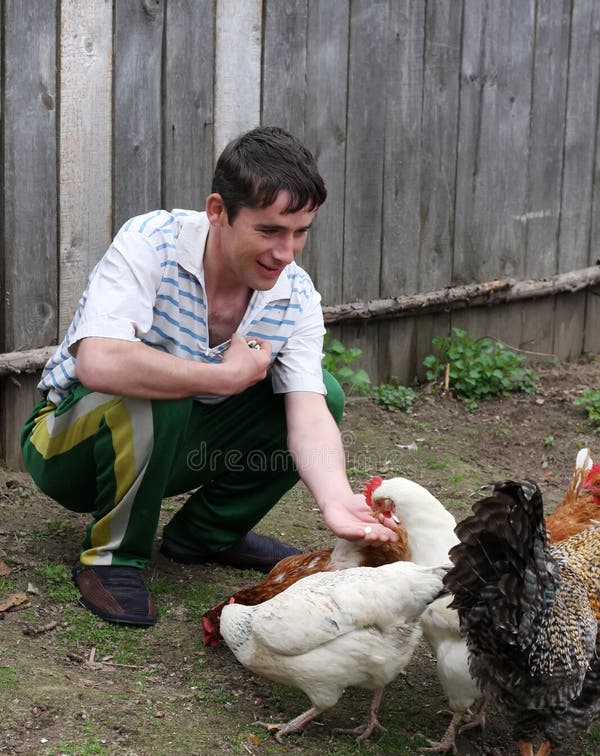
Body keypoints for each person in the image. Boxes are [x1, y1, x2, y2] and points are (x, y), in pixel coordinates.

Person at [21, 126, 397, 626]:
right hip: (66, 449)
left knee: (324, 394)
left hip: (172, 449)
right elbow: (99, 361)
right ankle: (112, 558)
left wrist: (336, 499)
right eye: (269, 231)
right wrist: (221, 377)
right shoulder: (152, 243)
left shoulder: (295, 295)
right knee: (161, 388)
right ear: (218, 211)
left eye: (300, 232)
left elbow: (309, 413)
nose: (286, 252)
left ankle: (203, 536)